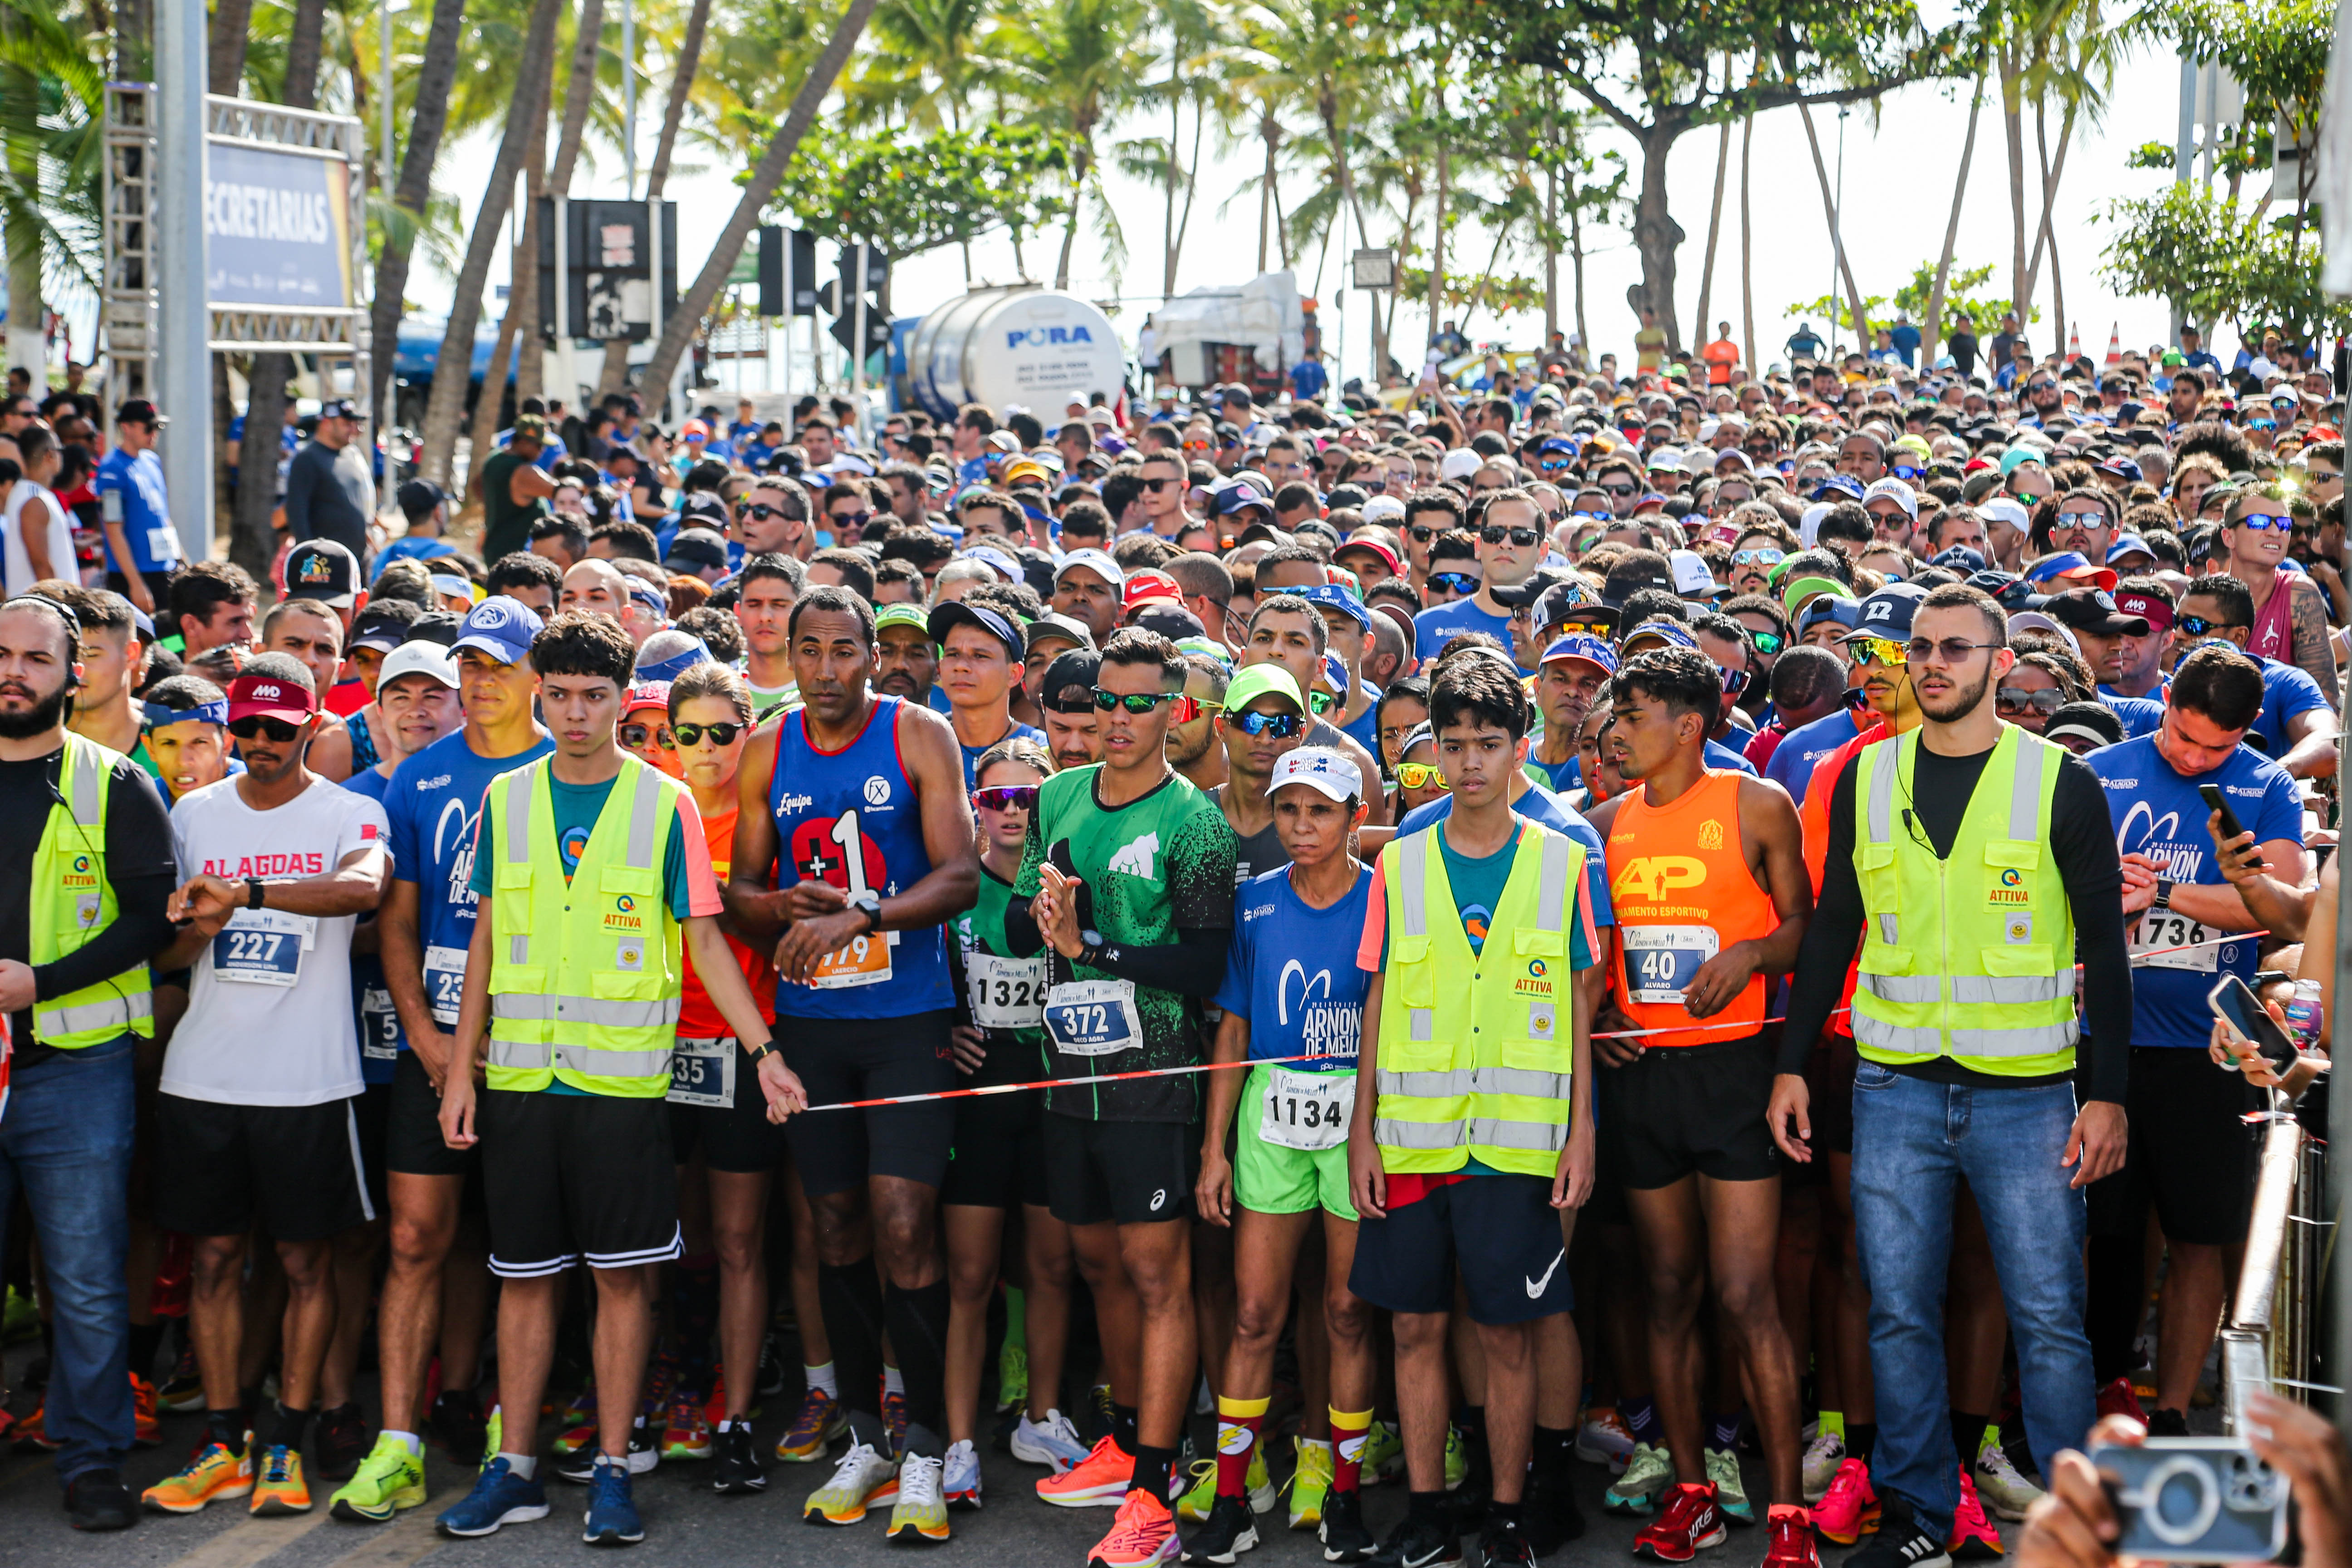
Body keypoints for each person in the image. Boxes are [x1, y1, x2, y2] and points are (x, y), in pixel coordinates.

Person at [1769, 583, 2132, 1568]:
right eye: (1921, 649)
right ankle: (1923, 1514)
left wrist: (2110, 1094)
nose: (1933, 663)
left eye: (1958, 650)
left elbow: (2105, 942)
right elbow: (1835, 927)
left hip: (2030, 1097)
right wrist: (1794, 1066)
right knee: (1897, 1310)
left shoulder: (2061, 781)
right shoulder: (1864, 777)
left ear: (1999, 665)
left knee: (2051, 1319)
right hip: (1894, 1089)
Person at [432, 611, 795, 1547]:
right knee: (523, 1278)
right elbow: (483, 942)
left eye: (598, 696)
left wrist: (765, 1055)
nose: (579, 713)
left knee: (623, 1282)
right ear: (538, 696)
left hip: (624, 1093)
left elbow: (705, 942)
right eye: (561, 695)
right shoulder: (506, 800)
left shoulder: (662, 802)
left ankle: (610, 1469)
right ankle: (513, 1469)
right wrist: (460, 1069)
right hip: (517, 1083)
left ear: (622, 699)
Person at [724, 584, 979, 1544]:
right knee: (832, 1225)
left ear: (873, 655)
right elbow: (743, 892)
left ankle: (923, 1445)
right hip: (814, 1025)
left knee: (903, 1219)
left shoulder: (919, 735)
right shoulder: (766, 746)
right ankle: (867, 1436)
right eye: (810, 652)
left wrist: (863, 916)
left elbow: (958, 875)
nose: (827, 671)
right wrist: (785, 905)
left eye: (845, 651)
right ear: (789, 656)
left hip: (908, 1017)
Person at [1345, 654, 1597, 1568]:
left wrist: (1583, 1133)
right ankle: (1421, 1507)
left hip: (1518, 1149)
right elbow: (1373, 1004)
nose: (1469, 765)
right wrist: (1359, 1135)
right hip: (1410, 1141)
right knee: (1413, 1325)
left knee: (1506, 1334)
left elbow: (1579, 1009)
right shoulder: (1400, 861)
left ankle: (1504, 1513)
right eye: (1452, 747)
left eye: (1488, 745)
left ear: (1521, 747)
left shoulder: (1563, 861)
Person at [1006, 627, 1239, 1568]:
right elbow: (1028, 921)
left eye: (1138, 703)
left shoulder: (1197, 823)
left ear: (1175, 710)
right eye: (1104, 699)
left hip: (1156, 1081)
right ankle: (1129, 1433)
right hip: (1071, 1074)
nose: (1116, 717)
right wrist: (1048, 918)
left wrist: (1092, 943)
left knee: (1157, 1277)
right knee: (1098, 1264)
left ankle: (1157, 1482)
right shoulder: (1058, 794)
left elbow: (1204, 962)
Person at [139, 657, 392, 1520]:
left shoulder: (350, 811)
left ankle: (285, 1440)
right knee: (212, 1258)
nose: (260, 744)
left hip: (308, 1080)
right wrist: (195, 928)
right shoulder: (193, 812)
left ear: (313, 725)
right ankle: (221, 1441)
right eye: (246, 727)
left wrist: (244, 894)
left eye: (280, 730)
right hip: (204, 1075)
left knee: (304, 1263)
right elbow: (166, 955)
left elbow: (364, 886)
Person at [1585, 647, 1817, 1566]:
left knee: (1744, 1294)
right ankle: (1690, 1493)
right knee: (1670, 1290)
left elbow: (1805, 922)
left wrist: (1755, 957)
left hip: (1733, 1075)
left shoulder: (1757, 803)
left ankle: (1790, 1513)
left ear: (1689, 724)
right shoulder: (1602, 821)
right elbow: (1589, 959)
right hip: (1645, 1082)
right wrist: (1602, 1011)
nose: (1618, 730)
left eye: (1635, 714)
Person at [328, 598, 553, 1524]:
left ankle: (513, 1430)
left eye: (499, 666)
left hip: (540, 1049)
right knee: (417, 1237)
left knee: (520, 1249)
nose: (481, 683)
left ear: (536, 673)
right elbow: (399, 923)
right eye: (472, 666)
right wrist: (426, 1038)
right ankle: (397, 1445)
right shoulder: (418, 778)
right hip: (434, 1045)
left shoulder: (566, 766)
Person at [2083, 643, 2305, 1436]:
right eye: (2181, 736)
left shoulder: (2263, 784)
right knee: (2096, 1233)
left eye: (2215, 747)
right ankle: (2086, 1391)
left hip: (2205, 1050)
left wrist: (2171, 889)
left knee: (2197, 1233)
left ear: (2247, 731)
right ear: (2167, 698)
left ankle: (2172, 1408)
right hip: (2096, 1041)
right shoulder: (2100, 771)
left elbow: (2285, 913)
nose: (2191, 756)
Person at [0, 594, 177, 1530]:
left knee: (87, 1277)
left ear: (74, 675)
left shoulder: (116, 782)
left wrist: (44, 982)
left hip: (74, 1068)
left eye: (36, 658)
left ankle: (93, 1456)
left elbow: (153, 923)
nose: (14, 671)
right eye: (2, 653)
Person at [1191, 746, 1380, 1565]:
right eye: (1288, 810)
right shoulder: (1257, 901)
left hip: (1355, 1117)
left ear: (1351, 819)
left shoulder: (1384, 898)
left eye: (1321, 811)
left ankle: (1344, 1497)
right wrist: (1213, 1149)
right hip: (1270, 1112)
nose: (1302, 827)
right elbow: (1232, 1025)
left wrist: (1369, 1127)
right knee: (1254, 1312)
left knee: (1344, 1312)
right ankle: (1233, 1501)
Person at [942, 737, 1089, 1505]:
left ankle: (1041, 1414)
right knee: (969, 1276)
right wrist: (943, 1029)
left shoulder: (1067, 885)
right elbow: (917, 982)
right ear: (975, 803)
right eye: (994, 798)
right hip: (977, 1104)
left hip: (1050, 1100)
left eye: (1024, 799)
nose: (1008, 811)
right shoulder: (953, 888)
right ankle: (960, 1441)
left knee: (1050, 1270)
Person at [658, 661, 784, 1491]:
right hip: (650, 1051)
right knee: (675, 1239)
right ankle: (675, 1389)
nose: (704, 749)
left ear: (748, 732)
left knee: (740, 1239)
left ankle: (736, 1413)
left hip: (744, 1047)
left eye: (722, 732)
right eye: (687, 733)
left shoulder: (758, 818)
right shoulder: (647, 805)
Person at [1211, 665, 1310, 884]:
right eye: (1250, 722)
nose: (1265, 739)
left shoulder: (1311, 828)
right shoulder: (1192, 814)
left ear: (1301, 734)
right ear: (1221, 728)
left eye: (1283, 725)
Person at [931, 601, 1041, 786]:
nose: (961, 666)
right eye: (952, 654)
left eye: (980, 656)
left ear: (1014, 674)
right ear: (940, 668)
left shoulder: (1041, 750)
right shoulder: (920, 747)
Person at [93, 400, 182, 612]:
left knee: (171, 635)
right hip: (134, 574)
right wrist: (135, 583)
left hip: (164, 568)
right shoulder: (111, 469)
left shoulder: (152, 461)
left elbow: (162, 516)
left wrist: (180, 560)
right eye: (149, 428)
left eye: (158, 427)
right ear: (127, 427)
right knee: (141, 636)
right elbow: (113, 530)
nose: (154, 433)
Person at [284, 400, 377, 562]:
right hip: (326, 561)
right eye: (347, 424)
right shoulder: (307, 459)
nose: (355, 430)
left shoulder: (351, 454)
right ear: (326, 423)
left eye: (356, 424)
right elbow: (297, 513)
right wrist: (309, 555)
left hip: (358, 556)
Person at [475, 414, 559, 564]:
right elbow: (559, 492)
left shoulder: (494, 458)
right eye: (539, 445)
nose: (542, 451)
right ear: (524, 442)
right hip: (517, 555)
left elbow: (477, 485)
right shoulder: (523, 471)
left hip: (496, 546)